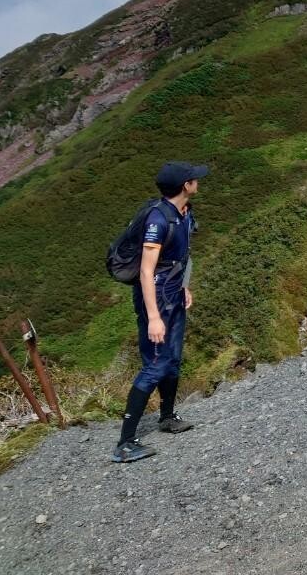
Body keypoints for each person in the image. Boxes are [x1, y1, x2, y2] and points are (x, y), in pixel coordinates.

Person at [112, 161, 206, 463]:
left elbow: (179, 258)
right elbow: (146, 271)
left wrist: (184, 287)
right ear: (184, 186)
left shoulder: (185, 213)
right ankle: (125, 444)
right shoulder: (158, 220)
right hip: (156, 298)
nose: (197, 182)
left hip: (173, 294)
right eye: (193, 179)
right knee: (155, 364)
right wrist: (153, 316)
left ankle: (167, 417)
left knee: (173, 359)